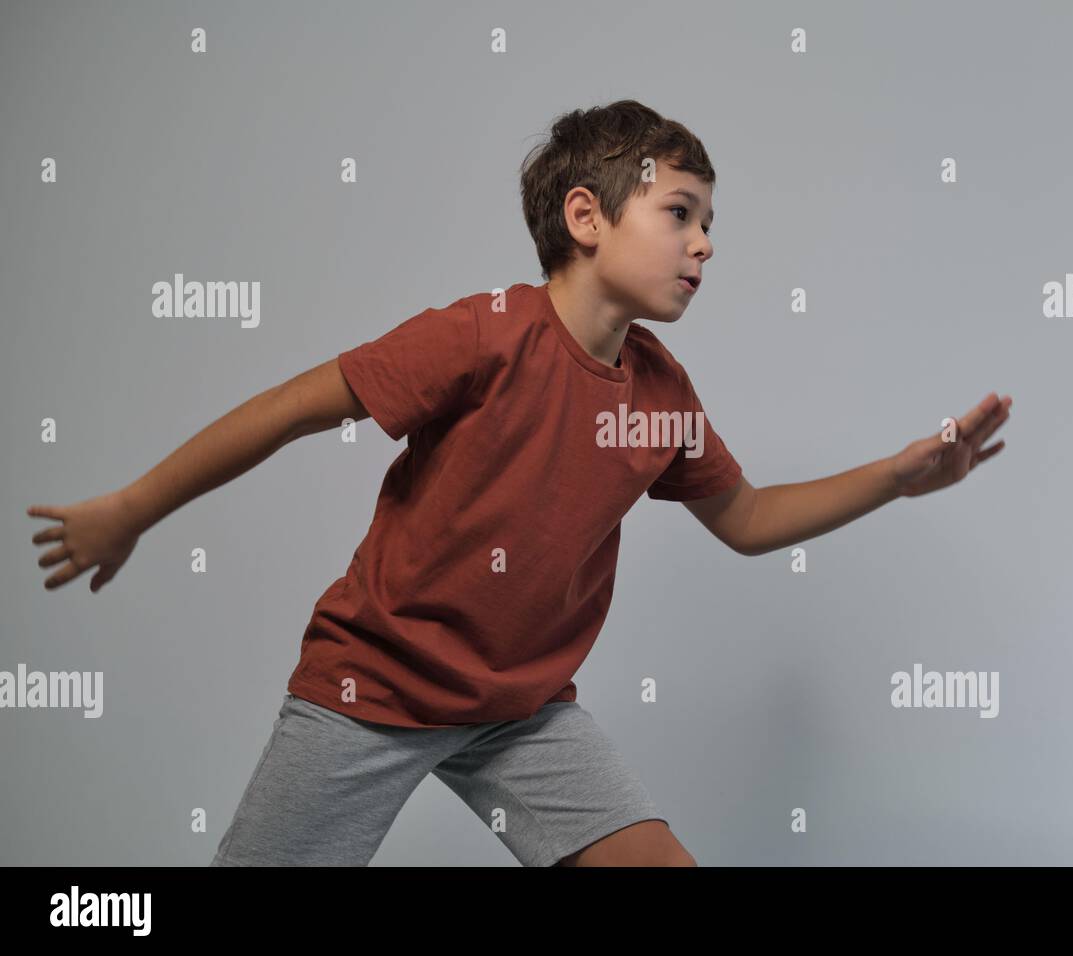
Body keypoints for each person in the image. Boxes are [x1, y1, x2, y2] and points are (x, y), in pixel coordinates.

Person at [26, 99, 1012, 866]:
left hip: (521, 711)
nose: (705, 242)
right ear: (586, 216)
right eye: (680, 213)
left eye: (710, 221)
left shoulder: (660, 388)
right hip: (373, 685)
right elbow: (291, 408)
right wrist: (131, 509)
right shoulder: (481, 335)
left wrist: (896, 475)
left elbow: (746, 518)